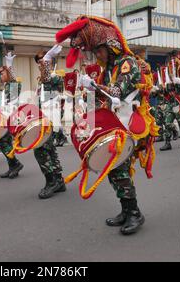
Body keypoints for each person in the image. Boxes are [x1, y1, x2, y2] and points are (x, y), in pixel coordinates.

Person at [56, 16, 157, 235]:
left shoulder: (126, 63)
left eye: (99, 51)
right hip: (115, 122)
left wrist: (94, 84)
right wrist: (88, 95)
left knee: (119, 168)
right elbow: (105, 98)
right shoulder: (108, 68)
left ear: (110, 47)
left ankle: (134, 213)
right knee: (112, 168)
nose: (97, 56)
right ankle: (126, 209)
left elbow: (118, 92)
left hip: (129, 121)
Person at [33, 48, 67, 199]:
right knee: (50, 149)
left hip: (52, 119)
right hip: (44, 118)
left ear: (50, 61)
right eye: (39, 61)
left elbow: (47, 79)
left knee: (40, 149)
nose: (40, 63)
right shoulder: (42, 80)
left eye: (43, 60)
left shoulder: (56, 77)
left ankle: (51, 181)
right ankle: (59, 180)